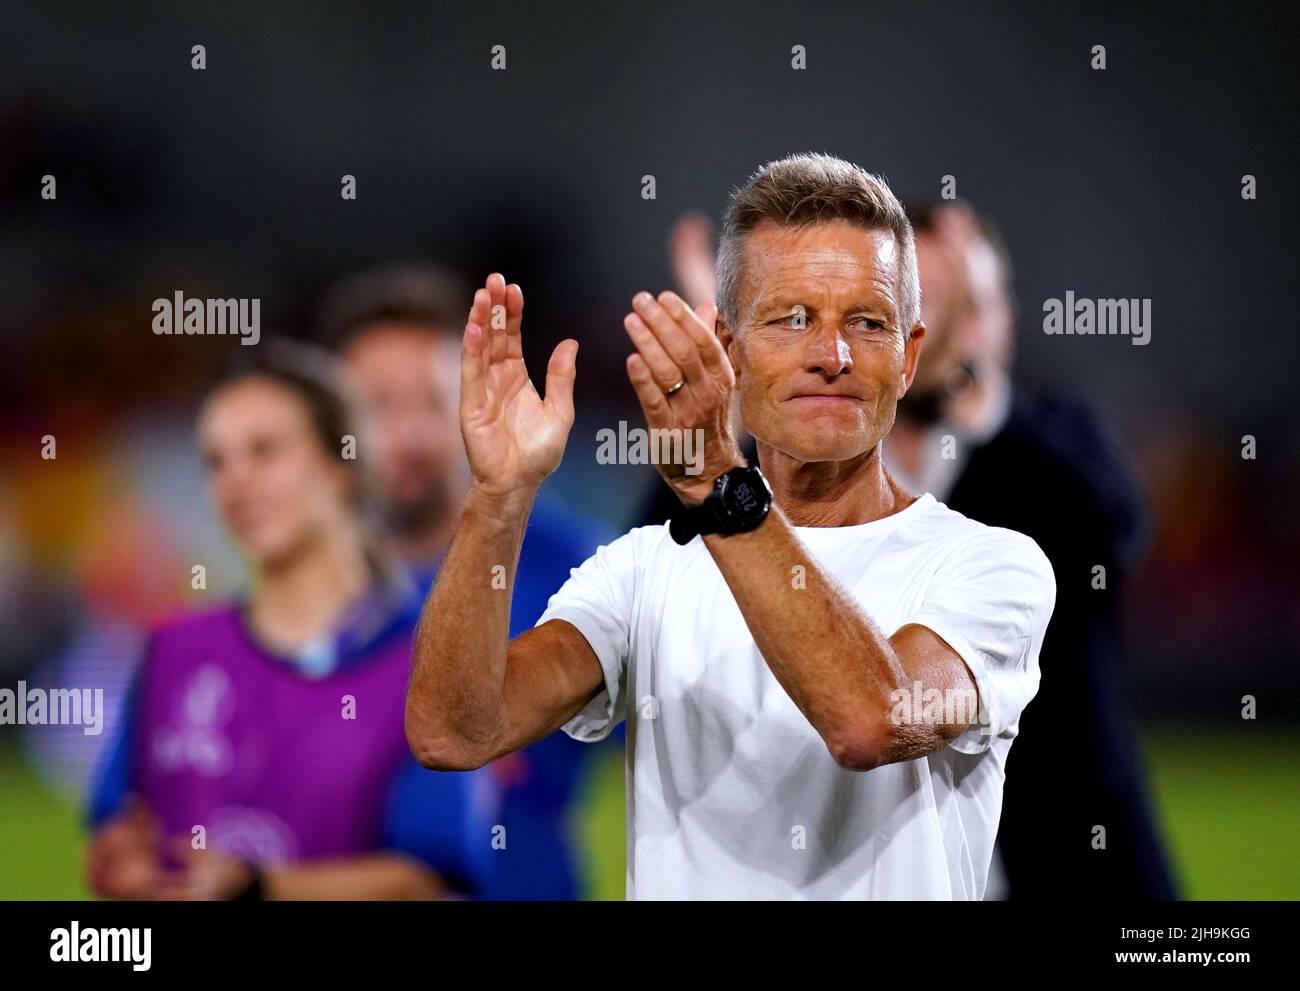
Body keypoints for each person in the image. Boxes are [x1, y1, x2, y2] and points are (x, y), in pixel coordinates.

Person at [405, 153, 1056, 899]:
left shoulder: (992, 565)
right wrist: (499, 494)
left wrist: (720, 485)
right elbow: (454, 731)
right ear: (730, 345)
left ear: (908, 358)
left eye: (867, 323)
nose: (832, 355)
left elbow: (870, 719)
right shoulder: (645, 569)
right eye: (791, 318)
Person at [85, 340, 496, 900]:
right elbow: (114, 832)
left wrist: (259, 889)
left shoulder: (426, 660)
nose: (235, 481)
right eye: (215, 461)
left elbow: (432, 878)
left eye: (264, 451)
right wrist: (119, 866)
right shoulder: (174, 650)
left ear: (341, 467)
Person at [895, 202, 1180, 900]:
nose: (961, 323)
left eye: (979, 298)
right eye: (931, 299)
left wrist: (991, 415)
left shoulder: (1056, 440)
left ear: (1006, 315)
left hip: (1073, 841)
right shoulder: (826, 469)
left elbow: (1116, 530)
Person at [317, 266, 615, 900]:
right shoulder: (302, 586)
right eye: (376, 407)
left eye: (432, 400)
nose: (408, 435)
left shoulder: (578, 567)